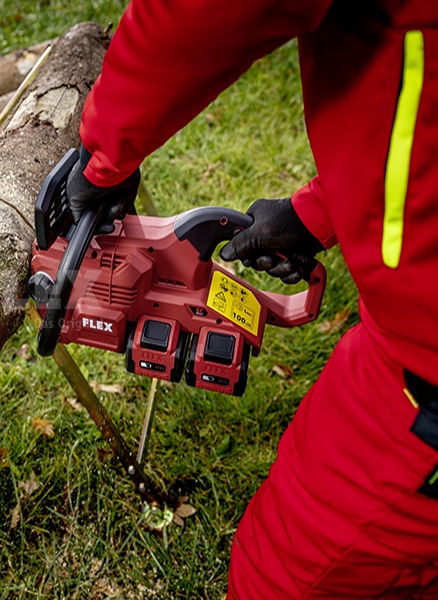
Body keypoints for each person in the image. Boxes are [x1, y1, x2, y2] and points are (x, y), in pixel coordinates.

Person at [66, 1, 438, 597]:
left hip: (422, 379)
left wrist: (104, 155)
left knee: (282, 574)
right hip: (411, 326)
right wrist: (318, 211)